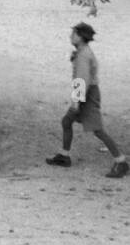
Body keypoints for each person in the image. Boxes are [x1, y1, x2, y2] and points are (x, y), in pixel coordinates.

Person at [46, 20, 128, 178]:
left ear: (80, 37)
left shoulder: (83, 55)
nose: (71, 36)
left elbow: (81, 80)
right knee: (66, 121)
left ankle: (121, 161)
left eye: (74, 34)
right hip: (87, 93)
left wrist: (76, 102)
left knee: (98, 130)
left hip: (87, 95)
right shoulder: (83, 51)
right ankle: (64, 155)